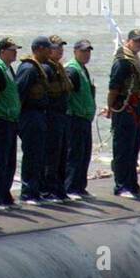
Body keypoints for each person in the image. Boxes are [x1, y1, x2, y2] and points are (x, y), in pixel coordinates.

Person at [105, 29, 140, 198]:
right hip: (124, 109)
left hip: (136, 108)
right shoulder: (123, 62)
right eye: (136, 41)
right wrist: (110, 107)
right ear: (129, 41)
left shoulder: (136, 61)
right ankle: (121, 185)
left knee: (133, 148)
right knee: (123, 149)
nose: (139, 44)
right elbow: (114, 88)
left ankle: (132, 184)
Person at [15, 37, 53, 203]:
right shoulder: (29, 69)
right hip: (29, 115)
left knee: (39, 155)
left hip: (39, 115)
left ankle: (36, 191)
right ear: (38, 49)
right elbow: (19, 94)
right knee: (31, 155)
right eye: (47, 49)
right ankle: (27, 192)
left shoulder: (40, 69)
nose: (50, 52)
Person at [0, 38, 20, 208]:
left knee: (9, 160)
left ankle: (4, 194)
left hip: (11, 120)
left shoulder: (9, 68)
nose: (15, 52)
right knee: (0, 160)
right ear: (2, 52)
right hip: (1, 120)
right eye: (12, 50)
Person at [64, 40, 96, 199]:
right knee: (74, 154)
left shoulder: (83, 69)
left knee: (84, 153)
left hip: (84, 118)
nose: (86, 54)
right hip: (75, 118)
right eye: (83, 51)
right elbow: (67, 94)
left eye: (88, 51)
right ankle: (70, 187)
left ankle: (80, 186)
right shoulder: (72, 70)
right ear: (75, 52)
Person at [42, 36, 71, 201]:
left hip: (61, 115)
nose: (59, 50)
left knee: (61, 155)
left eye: (61, 47)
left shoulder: (58, 68)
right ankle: (48, 190)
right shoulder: (46, 68)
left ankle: (60, 189)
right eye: (56, 47)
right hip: (51, 116)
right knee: (51, 156)